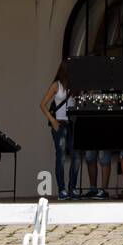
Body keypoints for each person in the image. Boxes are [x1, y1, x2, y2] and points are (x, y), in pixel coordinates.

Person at [39, 60, 77, 200]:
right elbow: (42, 104)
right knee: (60, 156)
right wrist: (52, 120)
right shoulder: (57, 85)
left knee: (76, 156)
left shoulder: (74, 87)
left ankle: (72, 189)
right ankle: (62, 189)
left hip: (72, 124)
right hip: (59, 124)